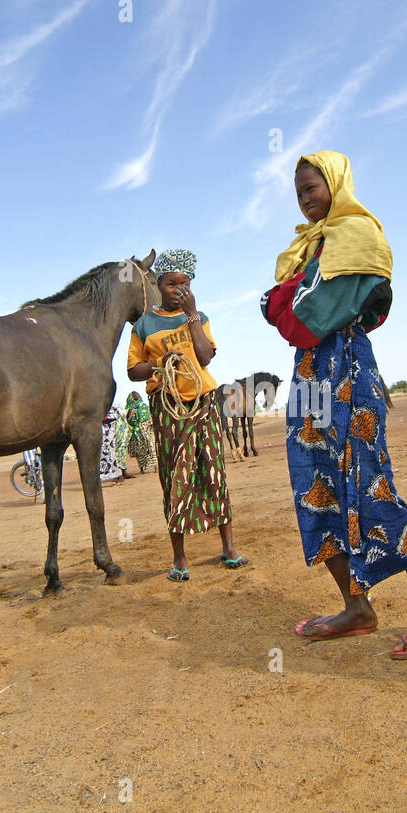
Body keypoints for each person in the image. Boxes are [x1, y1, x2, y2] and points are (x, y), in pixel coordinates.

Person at [262, 151, 407, 660]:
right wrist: (285, 303)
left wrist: (282, 302)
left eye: (312, 187)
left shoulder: (357, 234)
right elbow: (289, 312)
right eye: (299, 192)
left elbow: (299, 316)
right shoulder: (307, 249)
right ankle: (357, 607)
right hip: (308, 374)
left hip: (346, 368)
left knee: (370, 482)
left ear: (335, 182)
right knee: (316, 487)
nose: (305, 198)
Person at [127, 249, 247, 580]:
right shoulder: (143, 326)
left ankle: (229, 548)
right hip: (168, 409)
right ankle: (179, 558)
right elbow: (133, 372)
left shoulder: (200, 317)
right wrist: (158, 364)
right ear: (158, 284)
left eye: (185, 284)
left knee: (214, 471)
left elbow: (206, 357)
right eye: (171, 284)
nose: (178, 290)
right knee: (173, 477)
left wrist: (192, 314)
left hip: (204, 403)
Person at [98, 405, 131, 483]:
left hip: (108, 433)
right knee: (105, 455)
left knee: (111, 454)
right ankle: (115, 476)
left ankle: (118, 476)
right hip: (104, 433)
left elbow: (111, 419)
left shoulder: (110, 407)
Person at [125, 391, 156, 473]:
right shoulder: (129, 408)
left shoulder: (143, 405)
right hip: (137, 431)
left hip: (147, 429)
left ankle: (155, 466)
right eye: (135, 395)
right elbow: (128, 420)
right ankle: (142, 468)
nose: (137, 395)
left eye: (138, 394)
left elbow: (149, 416)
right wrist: (132, 412)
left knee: (151, 446)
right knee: (139, 450)